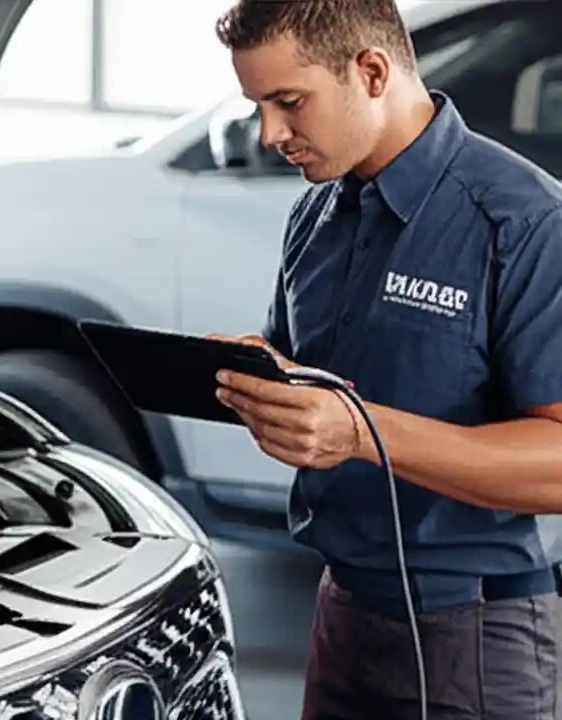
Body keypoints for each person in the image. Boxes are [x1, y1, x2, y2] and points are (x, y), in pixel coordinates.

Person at [209, 0, 562, 717]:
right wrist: (268, 380)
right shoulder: (315, 212)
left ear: (371, 72)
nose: (272, 133)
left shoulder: (523, 221)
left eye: (289, 102)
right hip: (341, 611)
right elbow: (318, 382)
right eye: (259, 107)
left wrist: (355, 431)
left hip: (476, 638)